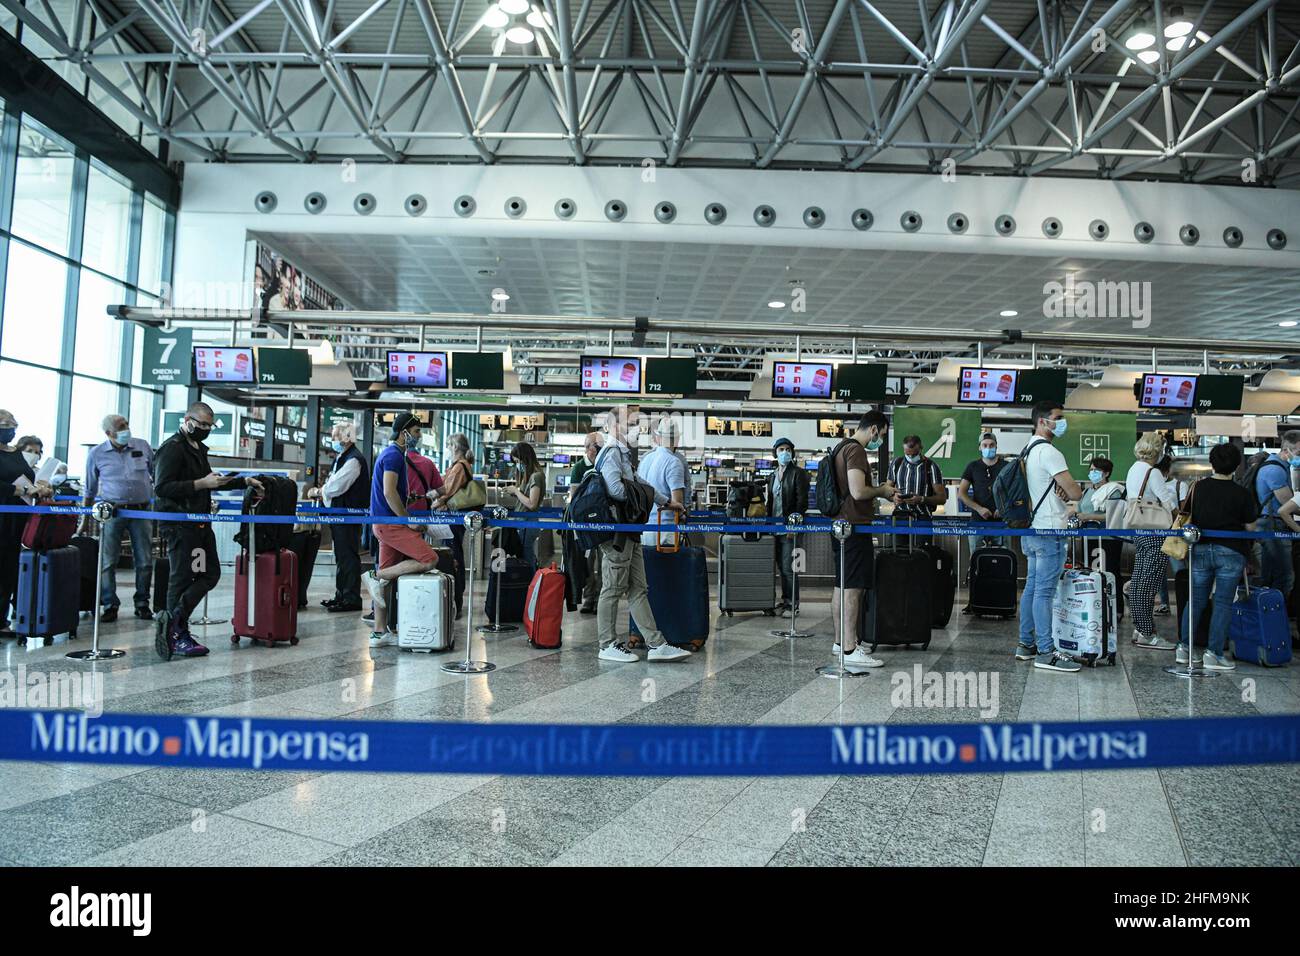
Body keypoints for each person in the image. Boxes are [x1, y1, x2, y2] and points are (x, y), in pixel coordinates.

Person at [153, 402, 263, 659]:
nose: (204, 429)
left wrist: (242, 481)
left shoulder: (197, 449)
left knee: (209, 573)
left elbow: (209, 482)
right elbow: (162, 488)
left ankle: (173, 620)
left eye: (208, 426)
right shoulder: (172, 449)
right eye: (200, 424)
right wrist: (200, 483)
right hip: (180, 525)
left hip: (199, 523)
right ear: (187, 419)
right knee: (182, 577)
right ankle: (175, 631)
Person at [592, 406, 689, 663]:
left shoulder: (624, 456)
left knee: (638, 589)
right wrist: (643, 495)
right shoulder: (611, 453)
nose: (638, 428)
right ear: (616, 427)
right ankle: (607, 644)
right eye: (632, 423)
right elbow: (616, 490)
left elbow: (641, 484)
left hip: (631, 533)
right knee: (612, 588)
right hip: (617, 534)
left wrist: (667, 502)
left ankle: (656, 644)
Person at [1015, 401, 1084, 672]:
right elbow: (1076, 492)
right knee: (1044, 591)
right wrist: (1069, 487)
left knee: (1032, 588)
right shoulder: (1049, 452)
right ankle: (1046, 652)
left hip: (1031, 529)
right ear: (1043, 421)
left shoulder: (1028, 450)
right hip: (1050, 529)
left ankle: (1025, 644)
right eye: (1058, 418)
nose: (1062, 422)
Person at [1176, 443, 1258, 670]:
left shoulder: (1198, 488)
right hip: (1231, 552)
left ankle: (1184, 649)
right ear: (1236, 465)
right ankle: (1213, 654)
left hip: (1200, 549)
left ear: (1211, 463)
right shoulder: (1242, 493)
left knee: (1195, 601)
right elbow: (1252, 528)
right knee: (1222, 603)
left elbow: (1187, 515)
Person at [828, 410, 897, 670]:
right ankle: (849, 648)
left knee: (841, 584)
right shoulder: (856, 450)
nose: (880, 440)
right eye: (882, 435)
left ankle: (839, 643)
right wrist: (883, 490)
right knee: (853, 589)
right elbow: (858, 491)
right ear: (875, 429)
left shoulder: (840, 447)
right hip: (854, 527)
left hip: (840, 526)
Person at [362, 412, 438, 646]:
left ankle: (379, 632)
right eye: (416, 431)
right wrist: (407, 521)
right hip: (391, 525)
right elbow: (388, 491)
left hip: (384, 524)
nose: (419, 436)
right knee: (429, 559)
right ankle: (374, 576)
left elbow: (392, 492)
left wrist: (412, 497)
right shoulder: (394, 456)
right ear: (404, 432)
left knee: (385, 582)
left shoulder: (393, 455)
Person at [81, 414, 155, 622]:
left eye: (126, 424)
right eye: (120, 427)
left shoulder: (142, 446)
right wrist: (85, 519)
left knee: (144, 560)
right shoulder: (96, 454)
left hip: (141, 510)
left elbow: (156, 473)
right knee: (108, 561)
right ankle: (110, 604)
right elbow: (90, 488)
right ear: (108, 433)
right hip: (112, 511)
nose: (126, 429)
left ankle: (142, 603)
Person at [1124, 432, 1179, 650]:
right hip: (1156, 534)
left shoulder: (1133, 468)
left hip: (1140, 532)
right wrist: (1179, 518)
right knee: (1148, 585)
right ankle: (1147, 633)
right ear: (1157, 450)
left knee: (1138, 583)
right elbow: (1167, 502)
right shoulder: (1152, 472)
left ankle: (1140, 629)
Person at [0, 410, 53, 636]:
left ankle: (2, 618)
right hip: (3, 513)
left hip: (18, 517)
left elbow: (31, 478)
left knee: (9, 568)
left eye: (13, 424)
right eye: (5, 425)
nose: (10, 429)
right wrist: (17, 489)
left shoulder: (16, 454)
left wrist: (40, 488)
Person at [307, 421, 369, 613]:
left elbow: (336, 486)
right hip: (338, 514)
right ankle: (341, 595)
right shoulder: (342, 457)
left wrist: (318, 491)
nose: (332, 439)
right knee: (341, 556)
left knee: (348, 556)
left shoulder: (354, 460)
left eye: (335, 435)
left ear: (347, 437)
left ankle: (350, 598)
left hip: (347, 515)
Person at [431, 433, 474, 616]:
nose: (448, 450)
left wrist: (435, 501)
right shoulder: (462, 466)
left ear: (455, 447)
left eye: (449, 446)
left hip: (452, 519)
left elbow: (448, 491)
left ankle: (455, 600)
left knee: (453, 556)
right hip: (455, 519)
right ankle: (455, 599)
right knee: (454, 554)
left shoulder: (459, 467)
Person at [766, 436, 810, 615]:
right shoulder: (772, 476)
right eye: (781, 450)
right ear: (775, 453)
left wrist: (794, 526)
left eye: (788, 450)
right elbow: (771, 502)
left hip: (790, 529)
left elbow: (802, 503)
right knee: (780, 566)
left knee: (789, 567)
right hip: (774, 528)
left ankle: (793, 604)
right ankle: (785, 600)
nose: (785, 453)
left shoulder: (798, 474)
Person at [1253, 430, 1299, 600]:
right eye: (1299, 453)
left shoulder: (1281, 466)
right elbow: (1288, 504)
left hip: (1271, 524)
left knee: (1271, 575)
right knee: (1285, 577)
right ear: (1286, 450)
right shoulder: (1275, 470)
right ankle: (1277, 618)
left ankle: (1269, 617)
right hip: (1273, 526)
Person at [637, 417, 689, 550]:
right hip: (665, 532)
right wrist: (683, 513)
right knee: (668, 570)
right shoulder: (674, 462)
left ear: (659, 438)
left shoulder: (645, 459)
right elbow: (677, 502)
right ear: (677, 439)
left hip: (645, 529)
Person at [1076, 456, 1126, 594]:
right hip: (1088, 539)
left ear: (1107, 473)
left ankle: (1116, 609)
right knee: (1091, 573)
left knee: (1110, 572)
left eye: (1096, 470)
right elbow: (1079, 510)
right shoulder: (1087, 492)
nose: (1092, 473)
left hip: (1109, 539)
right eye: (1091, 470)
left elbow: (1114, 515)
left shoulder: (1113, 490)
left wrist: (1089, 517)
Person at [888, 434, 945, 546]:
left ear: (921, 449)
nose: (910, 456)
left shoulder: (931, 467)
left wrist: (922, 499)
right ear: (903, 449)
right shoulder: (896, 464)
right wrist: (893, 497)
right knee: (898, 553)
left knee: (922, 554)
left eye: (914, 454)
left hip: (923, 517)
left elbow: (942, 498)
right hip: (900, 516)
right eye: (907, 454)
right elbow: (887, 489)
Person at [958, 433, 1007, 560]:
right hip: (977, 522)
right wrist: (979, 509)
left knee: (1003, 559)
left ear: (996, 446)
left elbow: (1014, 492)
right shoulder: (972, 467)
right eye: (985, 445)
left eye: (991, 445)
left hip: (1001, 522)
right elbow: (962, 493)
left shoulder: (1006, 467)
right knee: (976, 560)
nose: (988, 448)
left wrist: (1003, 508)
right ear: (980, 447)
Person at [568, 431, 602, 613]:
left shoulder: (605, 465)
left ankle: (600, 598)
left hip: (604, 524)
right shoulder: (579, 468)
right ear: (588, 448)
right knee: (588, 564)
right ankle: (589, 597)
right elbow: (574, 496)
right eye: (597, 446)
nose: (599, 450)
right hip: (586, 525)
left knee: (604, 563)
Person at [504, 441, 550, 571]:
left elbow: (532, 503)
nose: (518, 465)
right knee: (524, 554)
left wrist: (516, 491)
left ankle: (530, 584)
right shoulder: (529, 476)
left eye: (518, 461)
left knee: (526, 556)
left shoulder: (536, 476)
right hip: (523, 522)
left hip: (528, 522)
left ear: (525, 458)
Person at [1154, 455, 1187, 614]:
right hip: (1156, 531)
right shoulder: (1152, 485)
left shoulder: (1180, 485)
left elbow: (1183, 511)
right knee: (1158, 571)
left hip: (1173, 534)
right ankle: (1164, 603)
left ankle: (1184, 602)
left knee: (1179, 570)